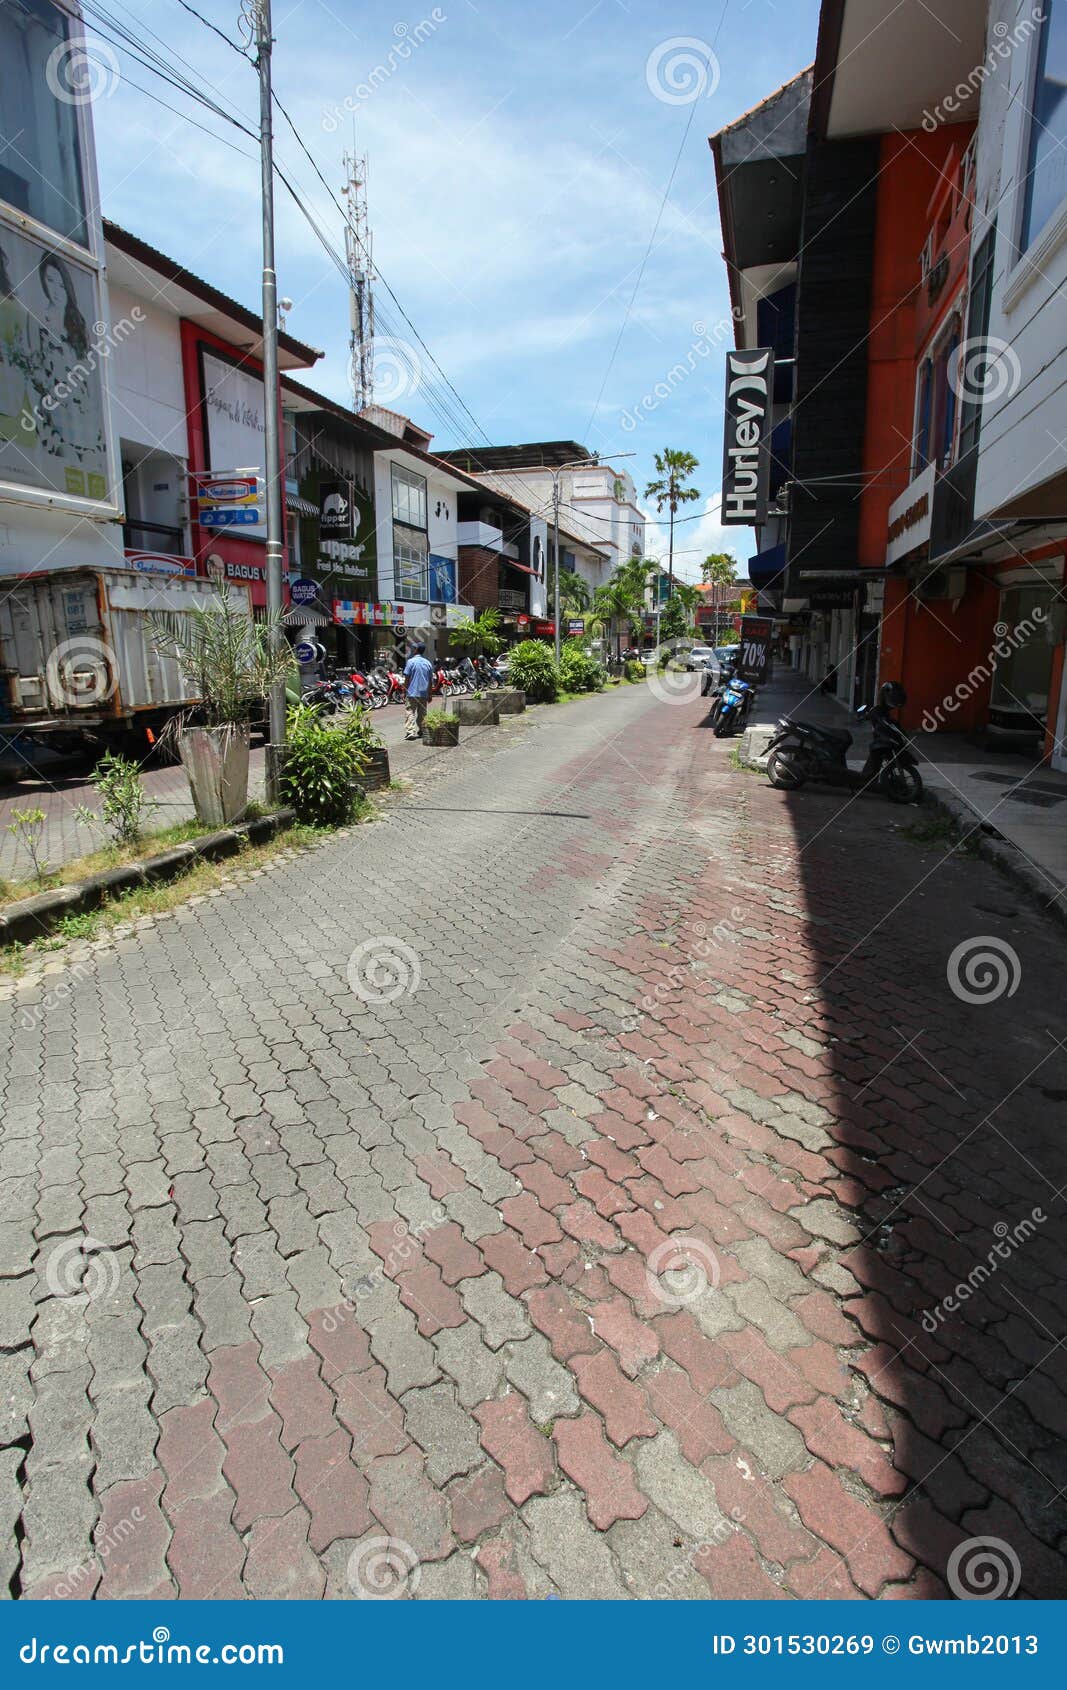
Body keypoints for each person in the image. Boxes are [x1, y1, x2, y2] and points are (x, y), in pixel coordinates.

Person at [403, 641, 434, 740]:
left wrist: (405, 690)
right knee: (422, 713)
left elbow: (407, 678)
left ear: (416, 650)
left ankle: (410, 732)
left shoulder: (410, 662)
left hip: (412, 692)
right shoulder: (428, 663)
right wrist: (430, 694)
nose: (413, 649)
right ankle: (422, 730)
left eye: (414, 648)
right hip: (423, 693)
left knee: (410, 711)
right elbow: (430, 681)